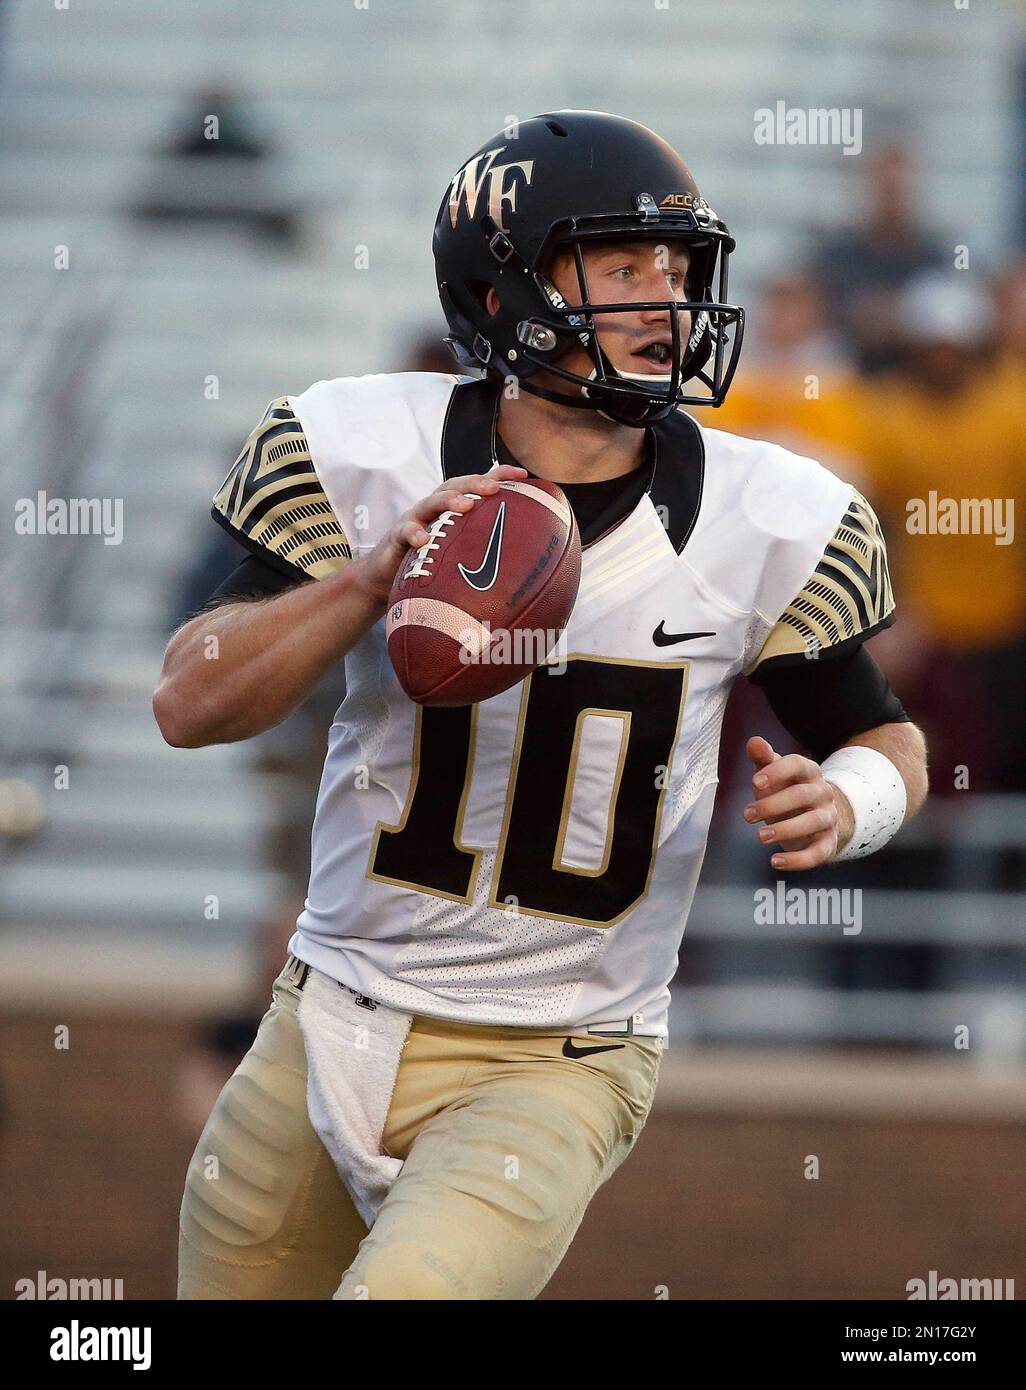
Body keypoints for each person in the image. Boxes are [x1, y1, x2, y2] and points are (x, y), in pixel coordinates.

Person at [153, 111, 928, 1300]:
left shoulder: (762, 514)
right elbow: (188, 701)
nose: (666, 303)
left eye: (677, 271)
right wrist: (368, 581)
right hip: (328, 1013)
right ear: (506, 292)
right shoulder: (365, 451)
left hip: (558, 1050)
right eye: (624, 269)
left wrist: (854, 798)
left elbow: (889, 737)